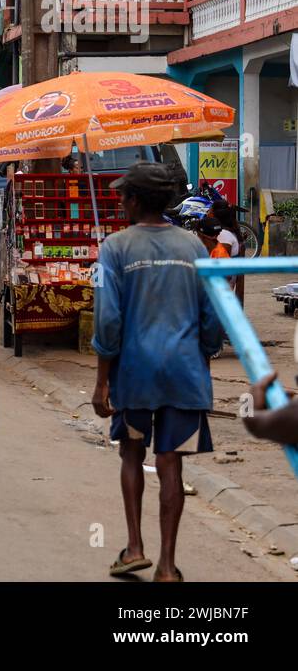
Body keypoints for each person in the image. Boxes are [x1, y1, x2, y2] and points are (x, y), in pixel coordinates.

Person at [91, 162, 222, 583]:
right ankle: (167, 565)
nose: (119, 200)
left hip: (134, 374)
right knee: (172, 464)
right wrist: (205, 355)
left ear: (133, 200)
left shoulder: (115, 247)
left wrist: (101, 379)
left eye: (122, 194)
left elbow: (107, 321)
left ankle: (134, 548)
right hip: (184, 372)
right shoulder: (195, 247)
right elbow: (212, 316)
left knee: (131, 453)